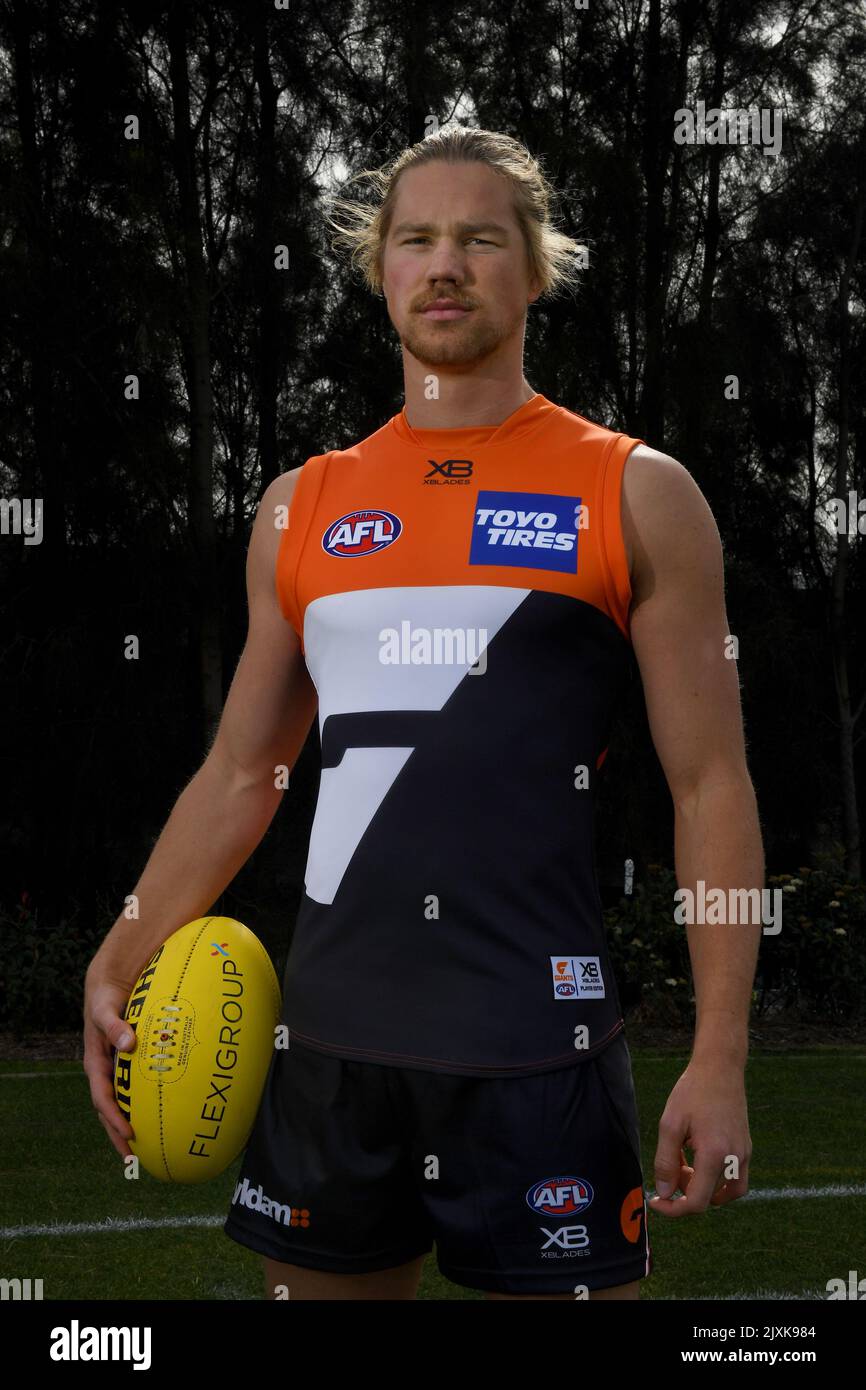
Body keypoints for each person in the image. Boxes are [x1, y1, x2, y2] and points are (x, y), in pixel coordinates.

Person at [84, 126, 762, 1301]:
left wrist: (719, 1052)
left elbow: (711, 784)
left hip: (535, 1053)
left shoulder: (635, 491)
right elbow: (244, 773)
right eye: (415, 239)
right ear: (379, 270)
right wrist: (124, 941)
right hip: (328, 1055)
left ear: (535, 269)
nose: (444, 265)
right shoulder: (303, 507)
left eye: (479, 238)